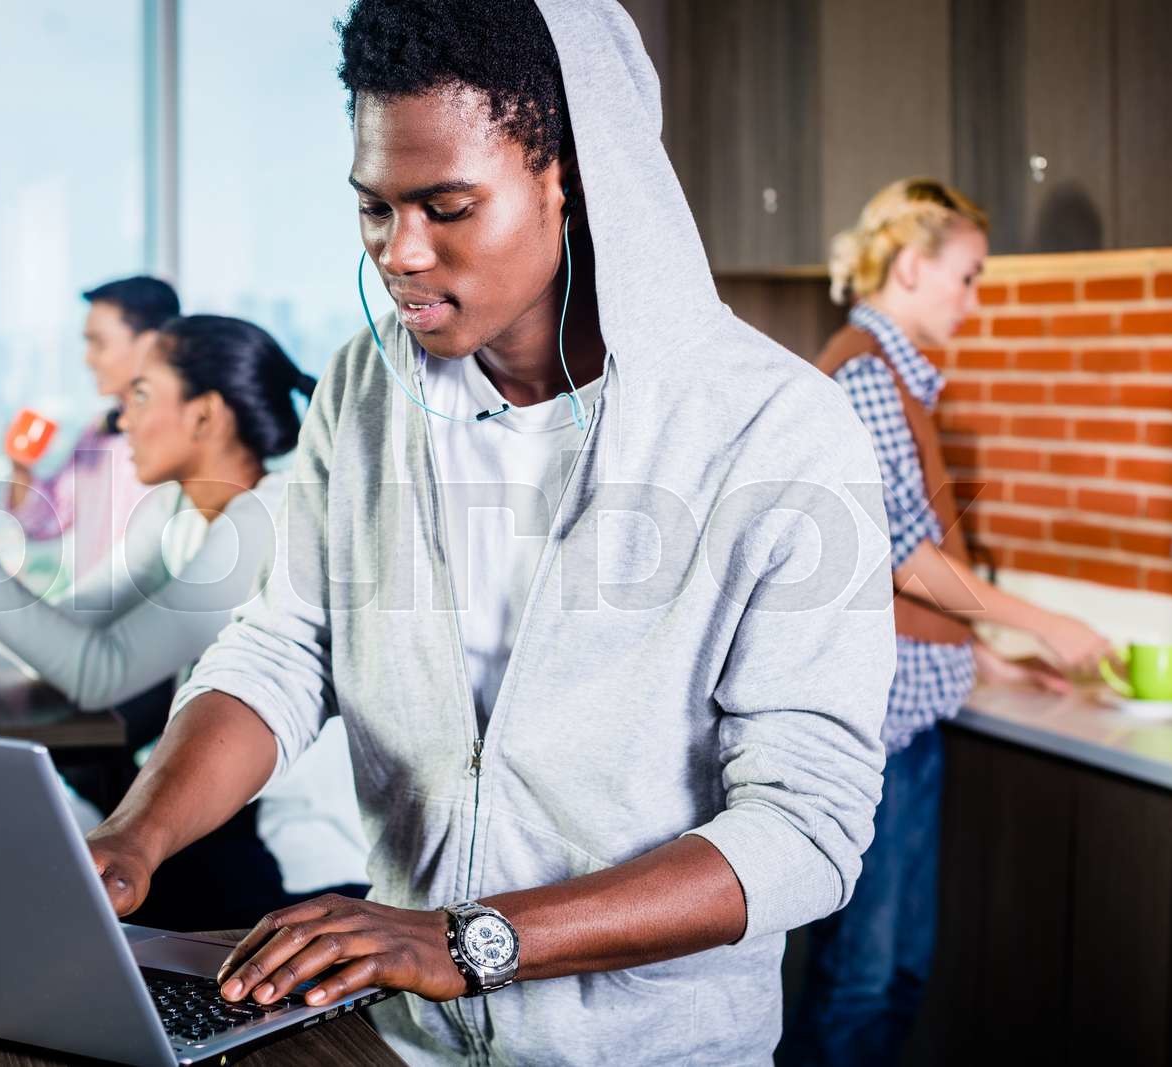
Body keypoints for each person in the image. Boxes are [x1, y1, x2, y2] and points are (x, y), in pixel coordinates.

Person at [82, 2, 898, 1063]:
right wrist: (131, 838)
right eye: (373, 208)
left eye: (447, 206)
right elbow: (287, 647)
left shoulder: (770, 428)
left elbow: (805, 829)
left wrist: (467, 939)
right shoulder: (365, 390)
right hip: (400, 1040)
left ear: (571, 173)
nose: (399, 251)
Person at [0, 315, 370, 928]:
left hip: (288, 869)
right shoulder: (175, 512)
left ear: (205, 415)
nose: (120, 417)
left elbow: (96, 673)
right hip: (214, 834)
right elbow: (60, 632)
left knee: (1, 884)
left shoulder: (267, 514)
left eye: (140, 394)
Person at [780, 178, 1116, 1066]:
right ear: (915, 265)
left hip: (909, 719)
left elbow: (899, 585)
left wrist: (992, 658)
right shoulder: (866, 375)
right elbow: (902, 554)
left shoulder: (896, 379)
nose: (975, 298)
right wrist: (1048, 622)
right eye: (968, 277)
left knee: (895, 976)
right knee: (862, 982)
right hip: (879, 733)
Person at [6, 276, 179, 577]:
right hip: (93, 614)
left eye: (99, 343)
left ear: (150, 343)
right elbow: (44, 521)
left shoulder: (181, 436)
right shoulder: (98, 434)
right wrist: (20, 466)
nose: (88, 360)